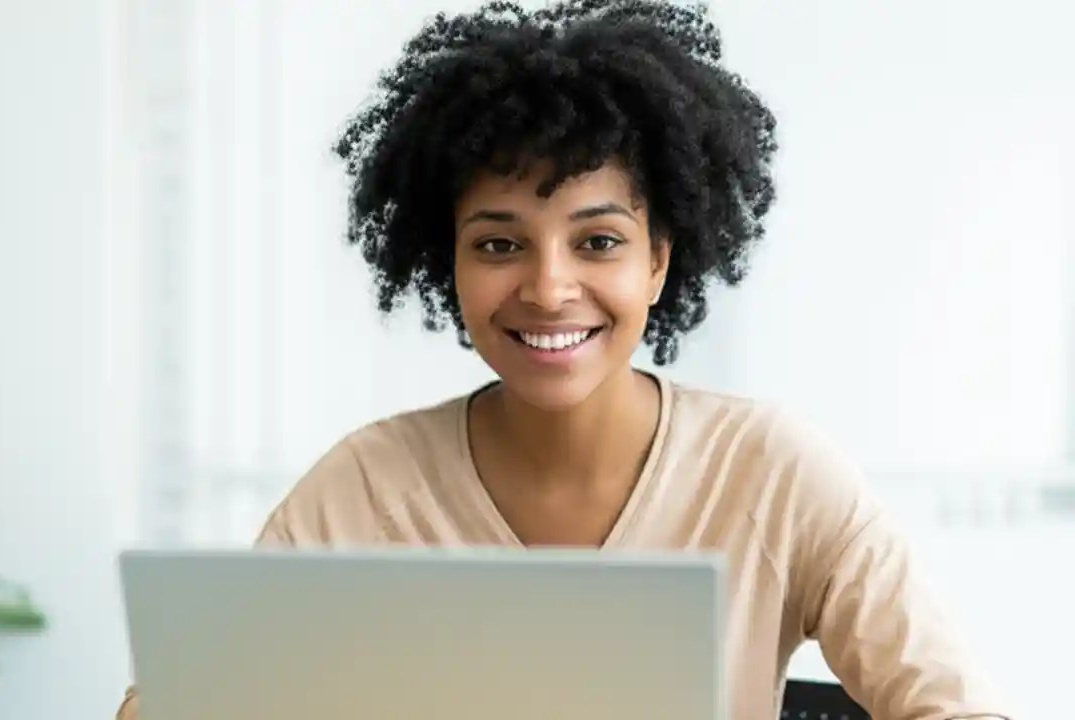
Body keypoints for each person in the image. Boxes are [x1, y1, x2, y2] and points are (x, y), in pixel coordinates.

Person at [118, 2, 1010, 718]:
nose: (548, 289)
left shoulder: (774, 475)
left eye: (597, 242)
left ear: (659, 258)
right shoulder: (366, 487)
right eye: (500, 245)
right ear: (450, 263)